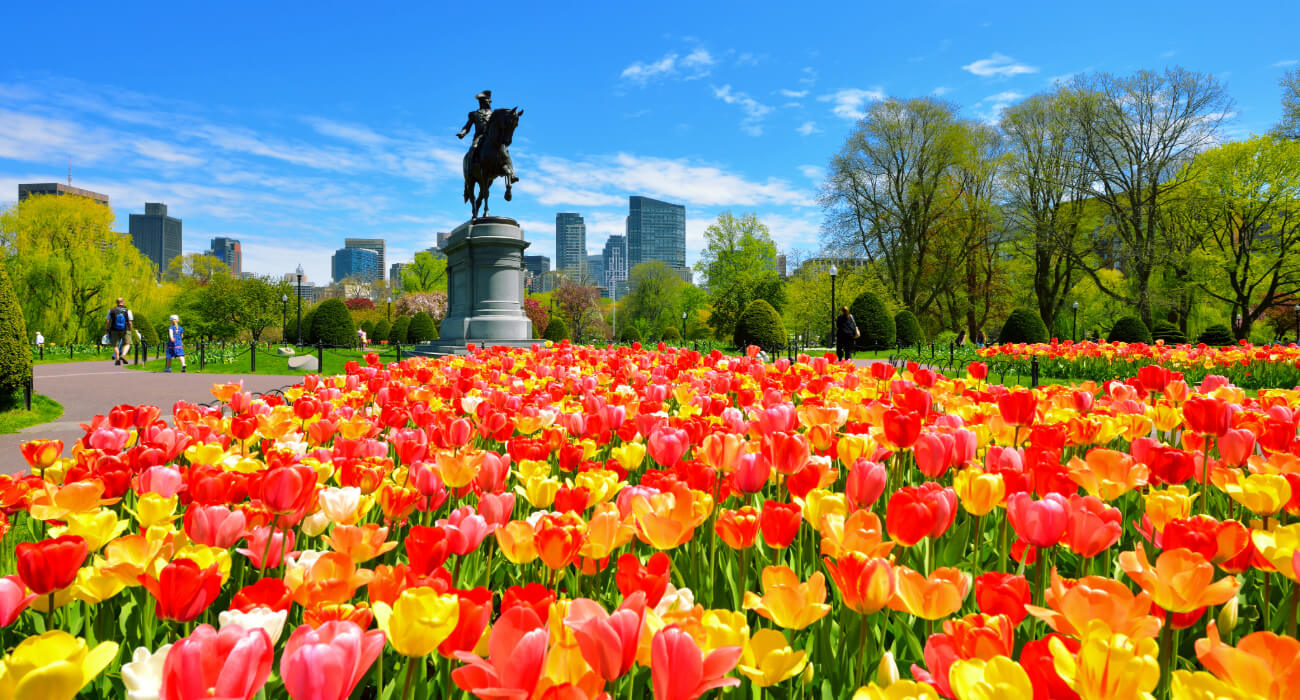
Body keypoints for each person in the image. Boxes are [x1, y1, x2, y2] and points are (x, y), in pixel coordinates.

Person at [105, 297, 134, 366]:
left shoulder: (111, 310)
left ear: (117, 302)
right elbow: (130, 322)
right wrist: (130, 329)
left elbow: (107, 321)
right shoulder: (128, 311)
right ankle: (123, 355)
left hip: (114, 330)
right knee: (127, 343)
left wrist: (107, 329)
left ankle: (117, 359)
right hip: (125, 329)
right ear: (123, 302)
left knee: (115, 345)